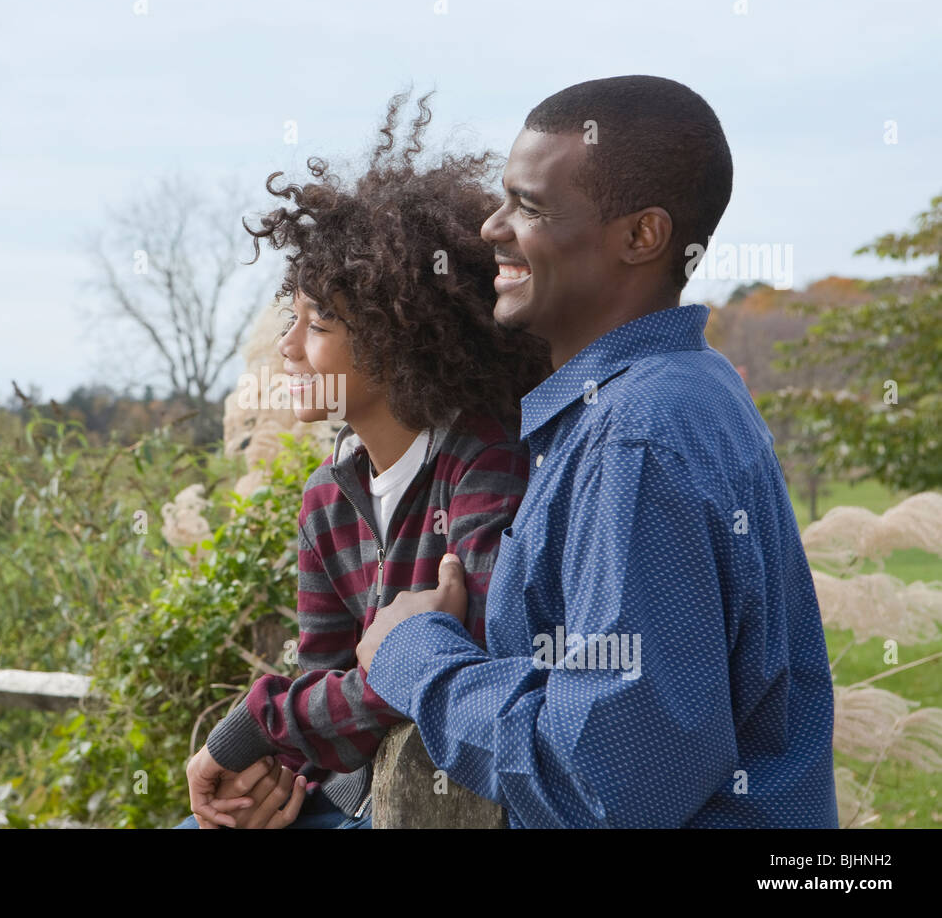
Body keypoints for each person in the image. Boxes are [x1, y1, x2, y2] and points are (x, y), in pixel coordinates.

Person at [356, 75, 840, 827]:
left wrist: (415, 654)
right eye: (502, 197)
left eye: (532, 207)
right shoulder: (680, 392)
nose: (491, 227)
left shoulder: (634, 438)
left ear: (641, 236)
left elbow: (605, 784)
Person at [176, 92, 552, 828]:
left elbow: (468, 666)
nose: (289, 347)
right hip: (350, 798)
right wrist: (273, 770)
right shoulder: (327, 501)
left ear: (395, 340)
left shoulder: (484, 465)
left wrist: (264, 721)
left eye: (319, 323)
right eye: (294, 317)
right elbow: (329, 687)